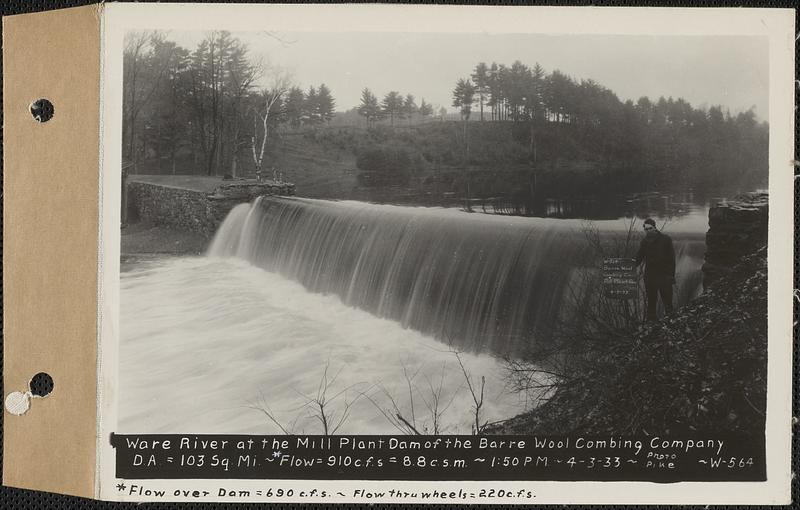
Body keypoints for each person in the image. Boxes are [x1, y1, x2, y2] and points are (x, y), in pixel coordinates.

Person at [635, 218, 675, 321]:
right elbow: (638, 258)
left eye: (650, 228)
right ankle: (651, 326)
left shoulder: (666, 239)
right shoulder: (644, 242)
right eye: (646, 229)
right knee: (651, 304)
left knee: (668, 303)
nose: (648, 231)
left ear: (655, 227)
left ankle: (671, 324)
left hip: (664, 276)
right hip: (650, 277)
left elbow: (671, 259)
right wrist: (625, 265)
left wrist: (671, 276)